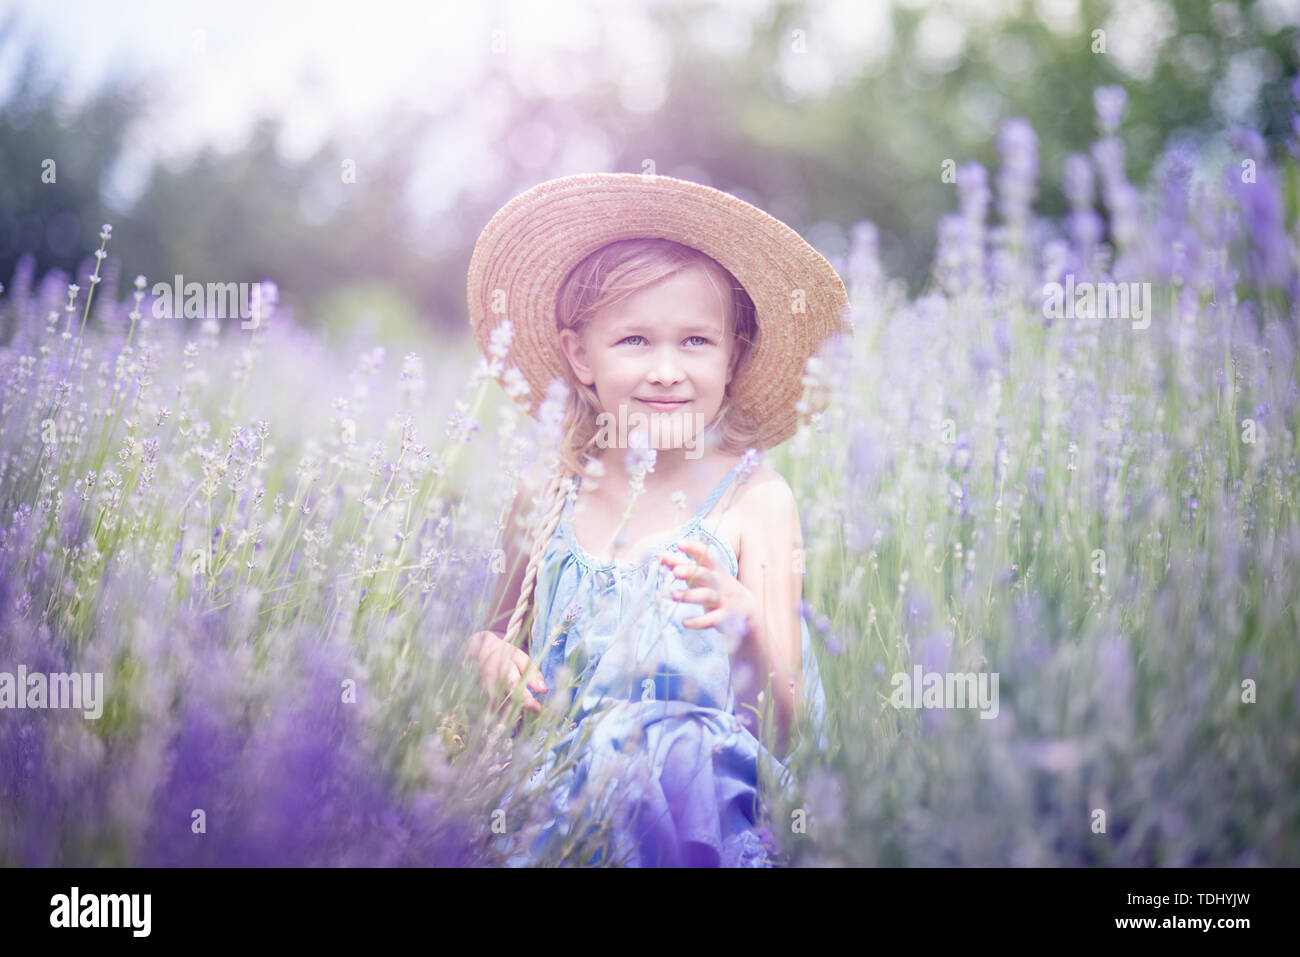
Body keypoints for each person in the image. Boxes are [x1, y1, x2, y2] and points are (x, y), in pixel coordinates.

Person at [462, 172, 852, 866]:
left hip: (703, 820)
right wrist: (490, 656)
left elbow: (794, 722)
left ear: (735, 354)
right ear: (581, 354)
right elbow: (499, 635)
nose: (667, 370)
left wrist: (746, 627)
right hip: (565, 812)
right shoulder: (544, 496)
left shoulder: (754, 500)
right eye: (635, 340)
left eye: (696, 342)